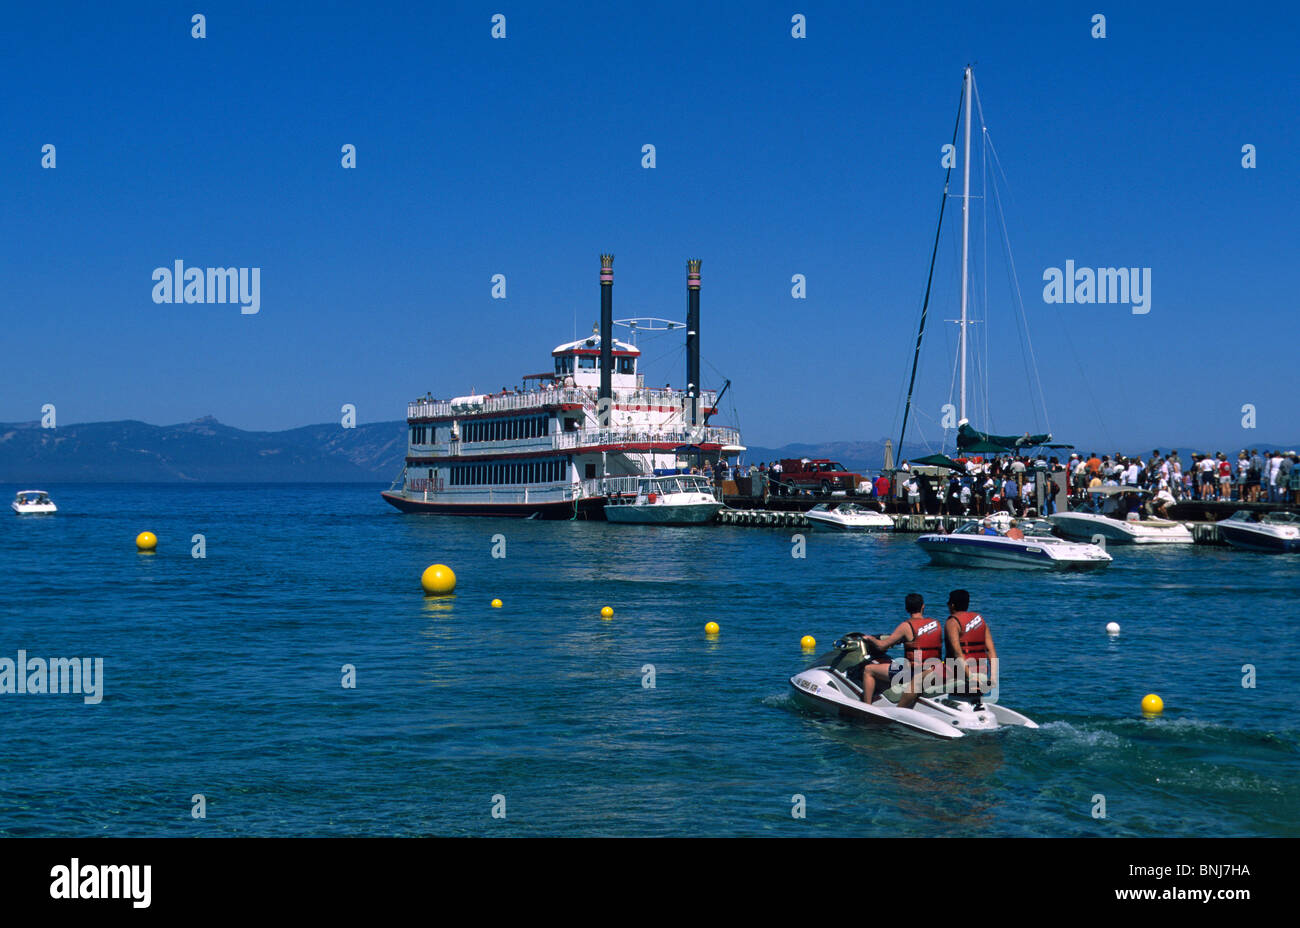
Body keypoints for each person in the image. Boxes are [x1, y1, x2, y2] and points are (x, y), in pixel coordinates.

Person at [863, 594, 942, 709]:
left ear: (906, 609)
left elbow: (882, 646)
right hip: (934, 669)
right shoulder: (936, 623)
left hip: (914, 672)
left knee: (868, 670)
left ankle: (867, 708)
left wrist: (870, 639)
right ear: (923, 607)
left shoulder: (906, 626)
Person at [944, 589, 998, 701]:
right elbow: (991, 650)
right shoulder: (980, 620)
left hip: (960, 677)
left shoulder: (952, 622)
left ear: (952, 605)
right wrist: (993, 678)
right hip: (982, 676)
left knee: (917, 681)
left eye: (948, 602)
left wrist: (971, 677)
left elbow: (958, 653)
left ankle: (902, 711)